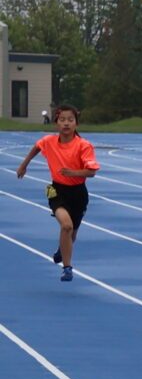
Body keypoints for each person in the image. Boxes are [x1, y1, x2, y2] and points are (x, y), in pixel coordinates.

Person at [14, 104, 101, 282]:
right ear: (56, 123)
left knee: (72, 233)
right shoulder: (49, 141)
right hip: (55, 189)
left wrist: (73, 173)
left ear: (76, 123)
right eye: (62, 120)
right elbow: (37, 146)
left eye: (70, 120)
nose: (66, 124)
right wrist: (24, 165)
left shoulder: (84, 146)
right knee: (66, 226)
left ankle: (62, 250)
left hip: (78, 193)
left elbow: (91, 172)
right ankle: (67, 268)